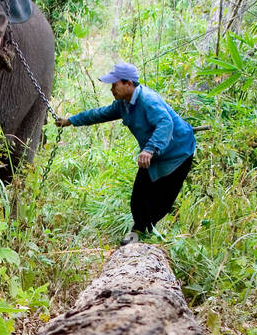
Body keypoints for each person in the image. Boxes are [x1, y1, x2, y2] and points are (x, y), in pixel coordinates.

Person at [55, 62, 196, 237]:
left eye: (115, 85)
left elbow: (165, 123)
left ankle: (143, 234)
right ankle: (139, 231)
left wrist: (149, 150)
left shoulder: (148, 100)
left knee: (163, 200)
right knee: (139, 197)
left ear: (128, 84)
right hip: (155, 154)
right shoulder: (123, 104)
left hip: (178, 152)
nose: (111, 90)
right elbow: (99, 114)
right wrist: (71, 121)